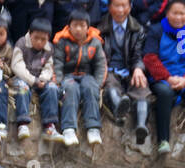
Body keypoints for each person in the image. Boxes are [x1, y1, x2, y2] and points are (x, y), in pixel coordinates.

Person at [143, 0, 185, 155]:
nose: (179, 17)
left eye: (182, 13)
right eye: (175, 13)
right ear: (167, 13)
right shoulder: (156, 30)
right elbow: (150, 58)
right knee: (165, 93)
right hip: (162, 77)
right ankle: (163, 141)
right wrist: (168, 77)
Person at [98, 0, 150, 145]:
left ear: (130, 7)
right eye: (116, 5)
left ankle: (141, 125)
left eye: (124, 6)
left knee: (141, 87)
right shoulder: (99, 29)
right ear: (109, 7)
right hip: (110, 70)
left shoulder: (138, 29)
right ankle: (119, 109)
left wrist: (139, 68)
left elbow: (139, 54)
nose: (121, 10)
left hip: (129, 69)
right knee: (111, 86)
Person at [53, 8, 107, 145]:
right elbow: (57, 63)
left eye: (82, 25)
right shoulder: (62, 40)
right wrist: (58, 81)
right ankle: (69, 129)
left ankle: (93, 128)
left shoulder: (95, 42)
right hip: (68, 76)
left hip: (87, 75)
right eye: (75, 25)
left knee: (90, 88)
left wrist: (98, 83)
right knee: (71, 90)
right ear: (69, 25)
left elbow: (101, 64)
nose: (78, 29)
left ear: (87, 27)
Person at [13, 16, 60, 138]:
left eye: (43, 39)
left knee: (52, 88)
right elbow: (17, 66)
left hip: (40, 80)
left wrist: (43, 79)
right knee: (22, 88)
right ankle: (22, 123)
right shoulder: (21, 43)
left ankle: (49, 126)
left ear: (48, 38)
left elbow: (49, 67)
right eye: (36, 38)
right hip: (23, 78)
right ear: (30, 33)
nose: (39, 42)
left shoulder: (49, 48)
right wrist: (33, 81)